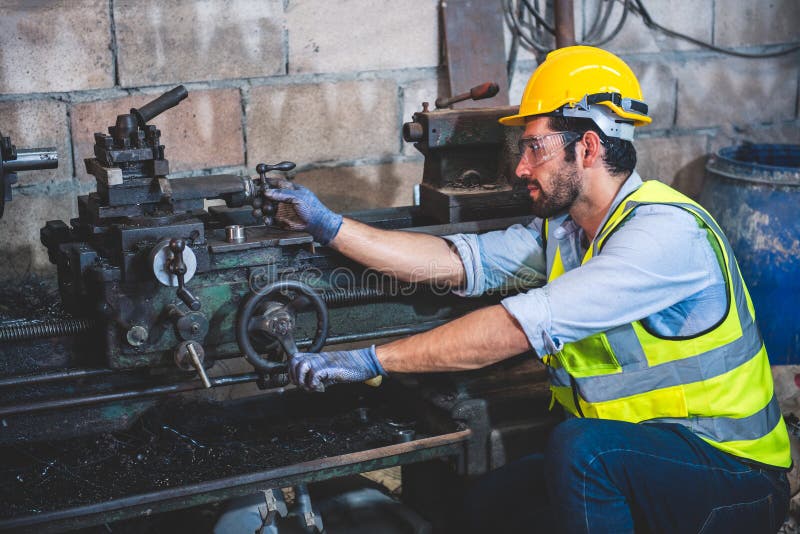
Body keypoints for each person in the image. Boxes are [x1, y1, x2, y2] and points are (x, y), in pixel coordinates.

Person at [265, 46, 791, 533]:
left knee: (582, 452)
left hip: (732, 477)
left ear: (587, 147)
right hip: (649, 457)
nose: (520, 168)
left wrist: (374, 360)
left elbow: (515, 327)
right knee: (485, 505)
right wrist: (329, 226)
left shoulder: (664, 235)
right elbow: (456, 263)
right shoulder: (566, 232)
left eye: (534, 148)